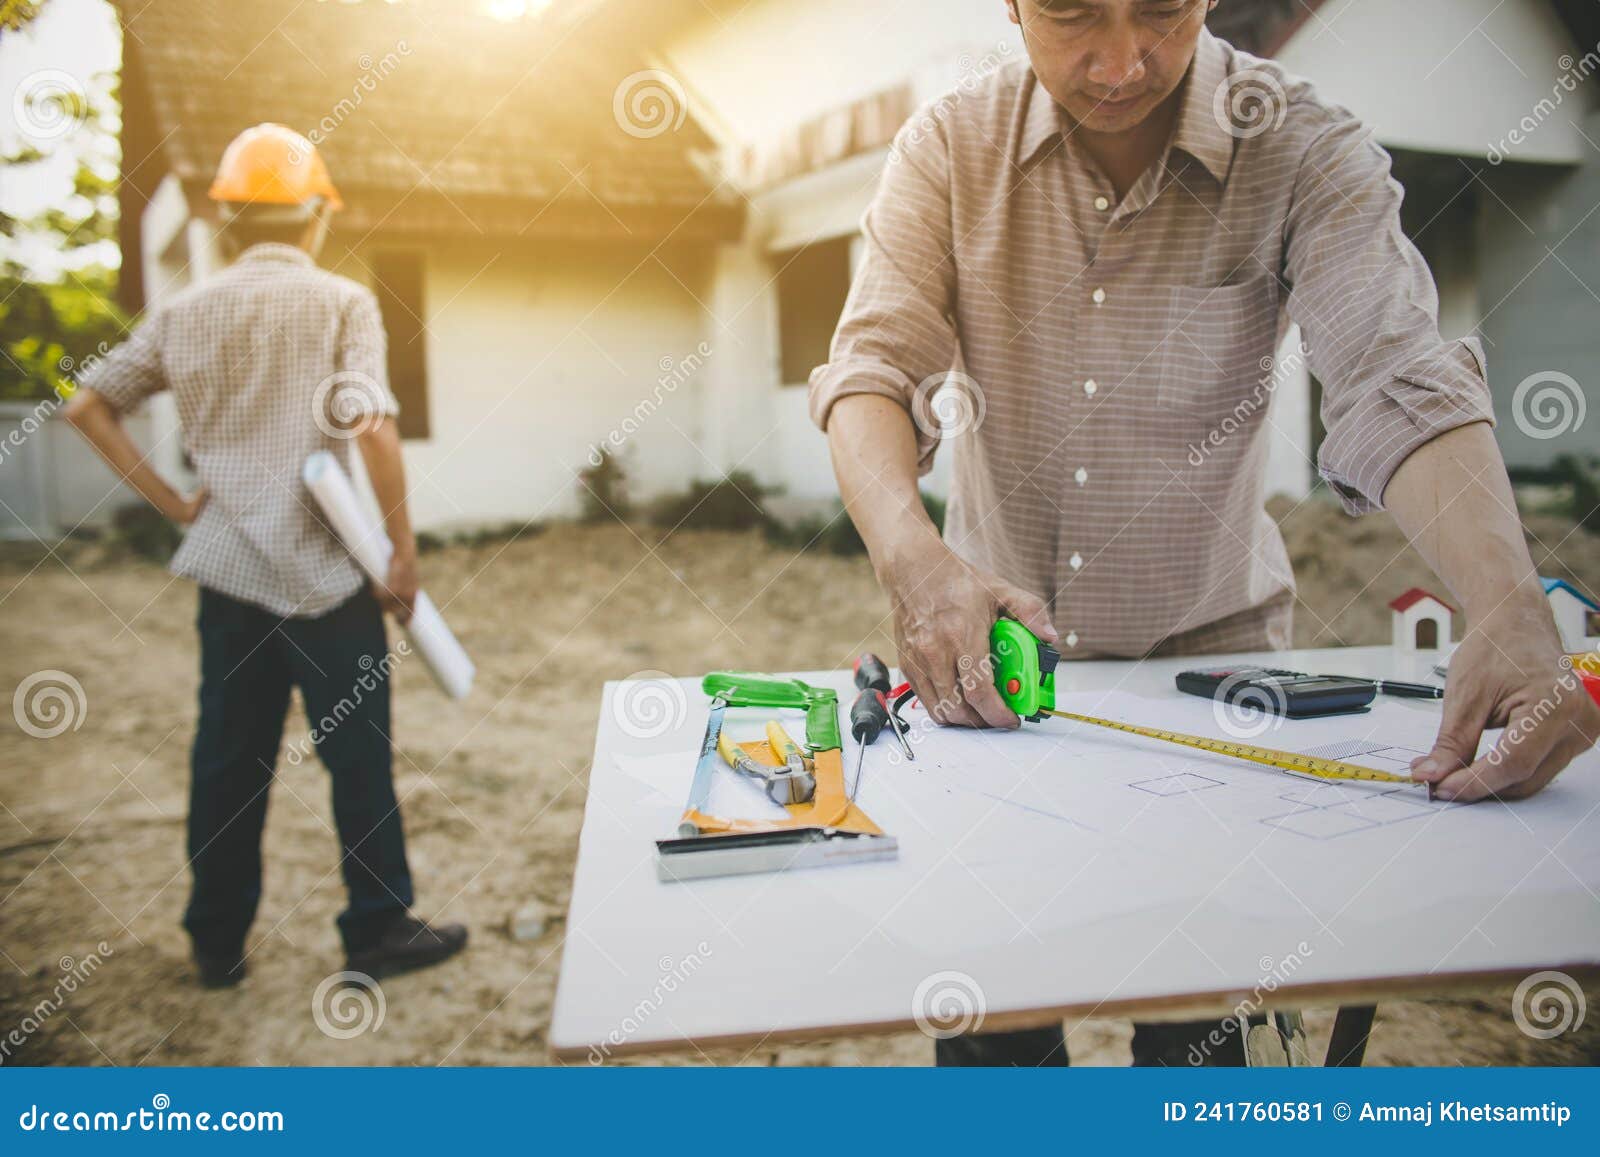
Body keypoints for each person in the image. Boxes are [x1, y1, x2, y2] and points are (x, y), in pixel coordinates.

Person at [810, 0, 1599, 1065]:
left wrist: (1507, 605)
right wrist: (912, 558)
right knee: (996, 1051)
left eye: (1162, 10)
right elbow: (872, 367)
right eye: (1072, 13)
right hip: (997, 683)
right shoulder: (948, 145)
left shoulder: (1306, 146)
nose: (1121, 61)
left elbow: (1394, 375)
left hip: (1222, 680)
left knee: (1205, 1064)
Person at [66, 123, 467, 989]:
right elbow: (375, 431)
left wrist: (175, 502)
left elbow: (86, 408)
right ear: (318, 215)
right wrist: (402, 551)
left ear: (228, 219)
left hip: (230, 574)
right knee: (356, 753)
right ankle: (376, 927)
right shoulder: (342, 303)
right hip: (329, 574)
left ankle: (216, 942)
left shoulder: (183, 312)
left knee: (226, 758)